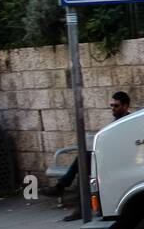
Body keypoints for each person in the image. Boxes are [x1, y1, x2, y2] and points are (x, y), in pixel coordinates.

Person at [55, 91, 131, 221]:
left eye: (116, 106)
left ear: (125, 106)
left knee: (83, 159)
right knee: (83, 164)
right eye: (111, 105)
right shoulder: (116, 121)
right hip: (108, 157)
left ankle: (63, 187)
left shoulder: (129, 121)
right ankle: (77, 203)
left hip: (120, 160)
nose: (113, 109)